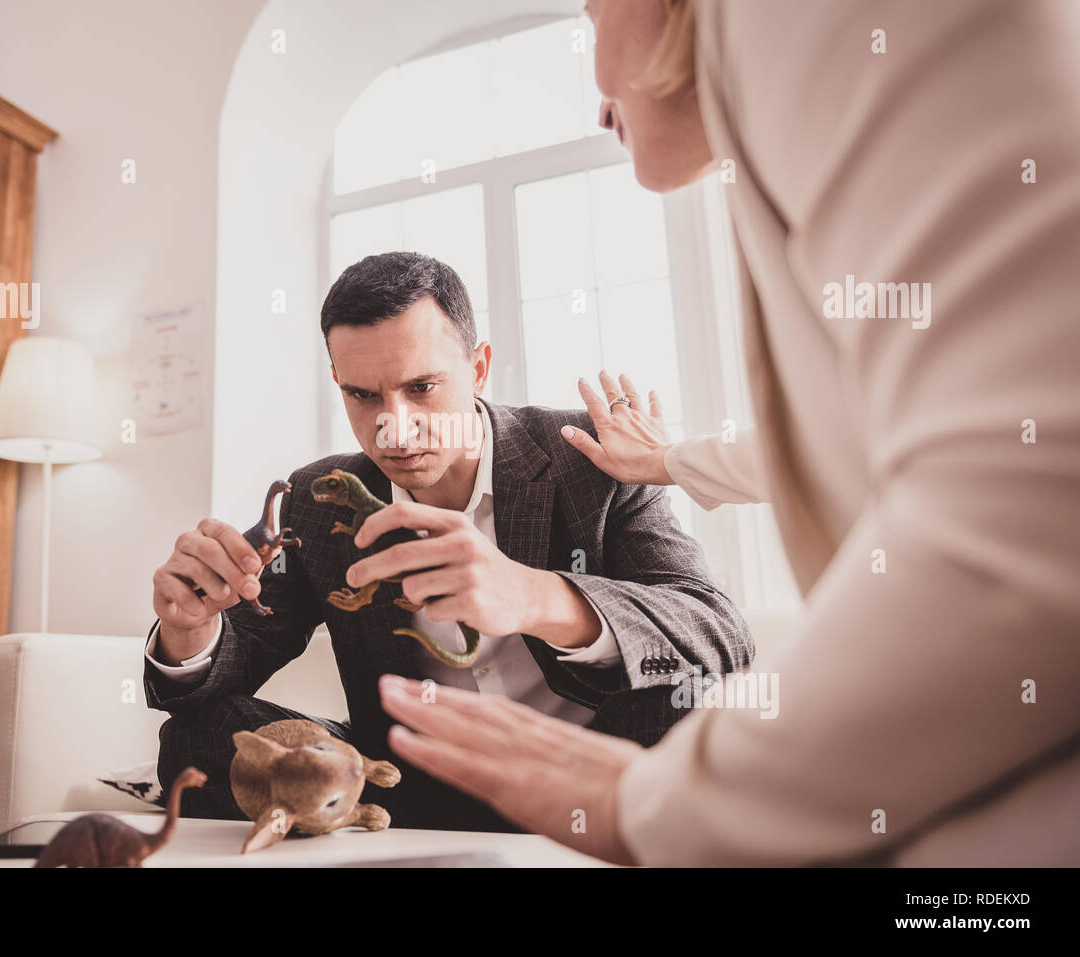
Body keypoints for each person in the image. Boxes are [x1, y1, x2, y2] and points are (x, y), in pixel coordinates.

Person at [375, 0, 1080, 865]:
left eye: (594, 16)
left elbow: (1029, 501)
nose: (599, 89)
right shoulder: (321, 497)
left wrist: (649, 799)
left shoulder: (799, 17)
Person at [145, 250, 752, 832]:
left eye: (422, 388)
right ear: (338, 381)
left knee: (692, 704)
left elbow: (720, 638)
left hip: (594, 772)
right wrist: (190, 629)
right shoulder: (319, 496)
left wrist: (537, 597)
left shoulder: (591, 458)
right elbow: (239, 656)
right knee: (194, 739)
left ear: (479, 367)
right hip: (413, 789)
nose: (394, 427)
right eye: (362, 395)